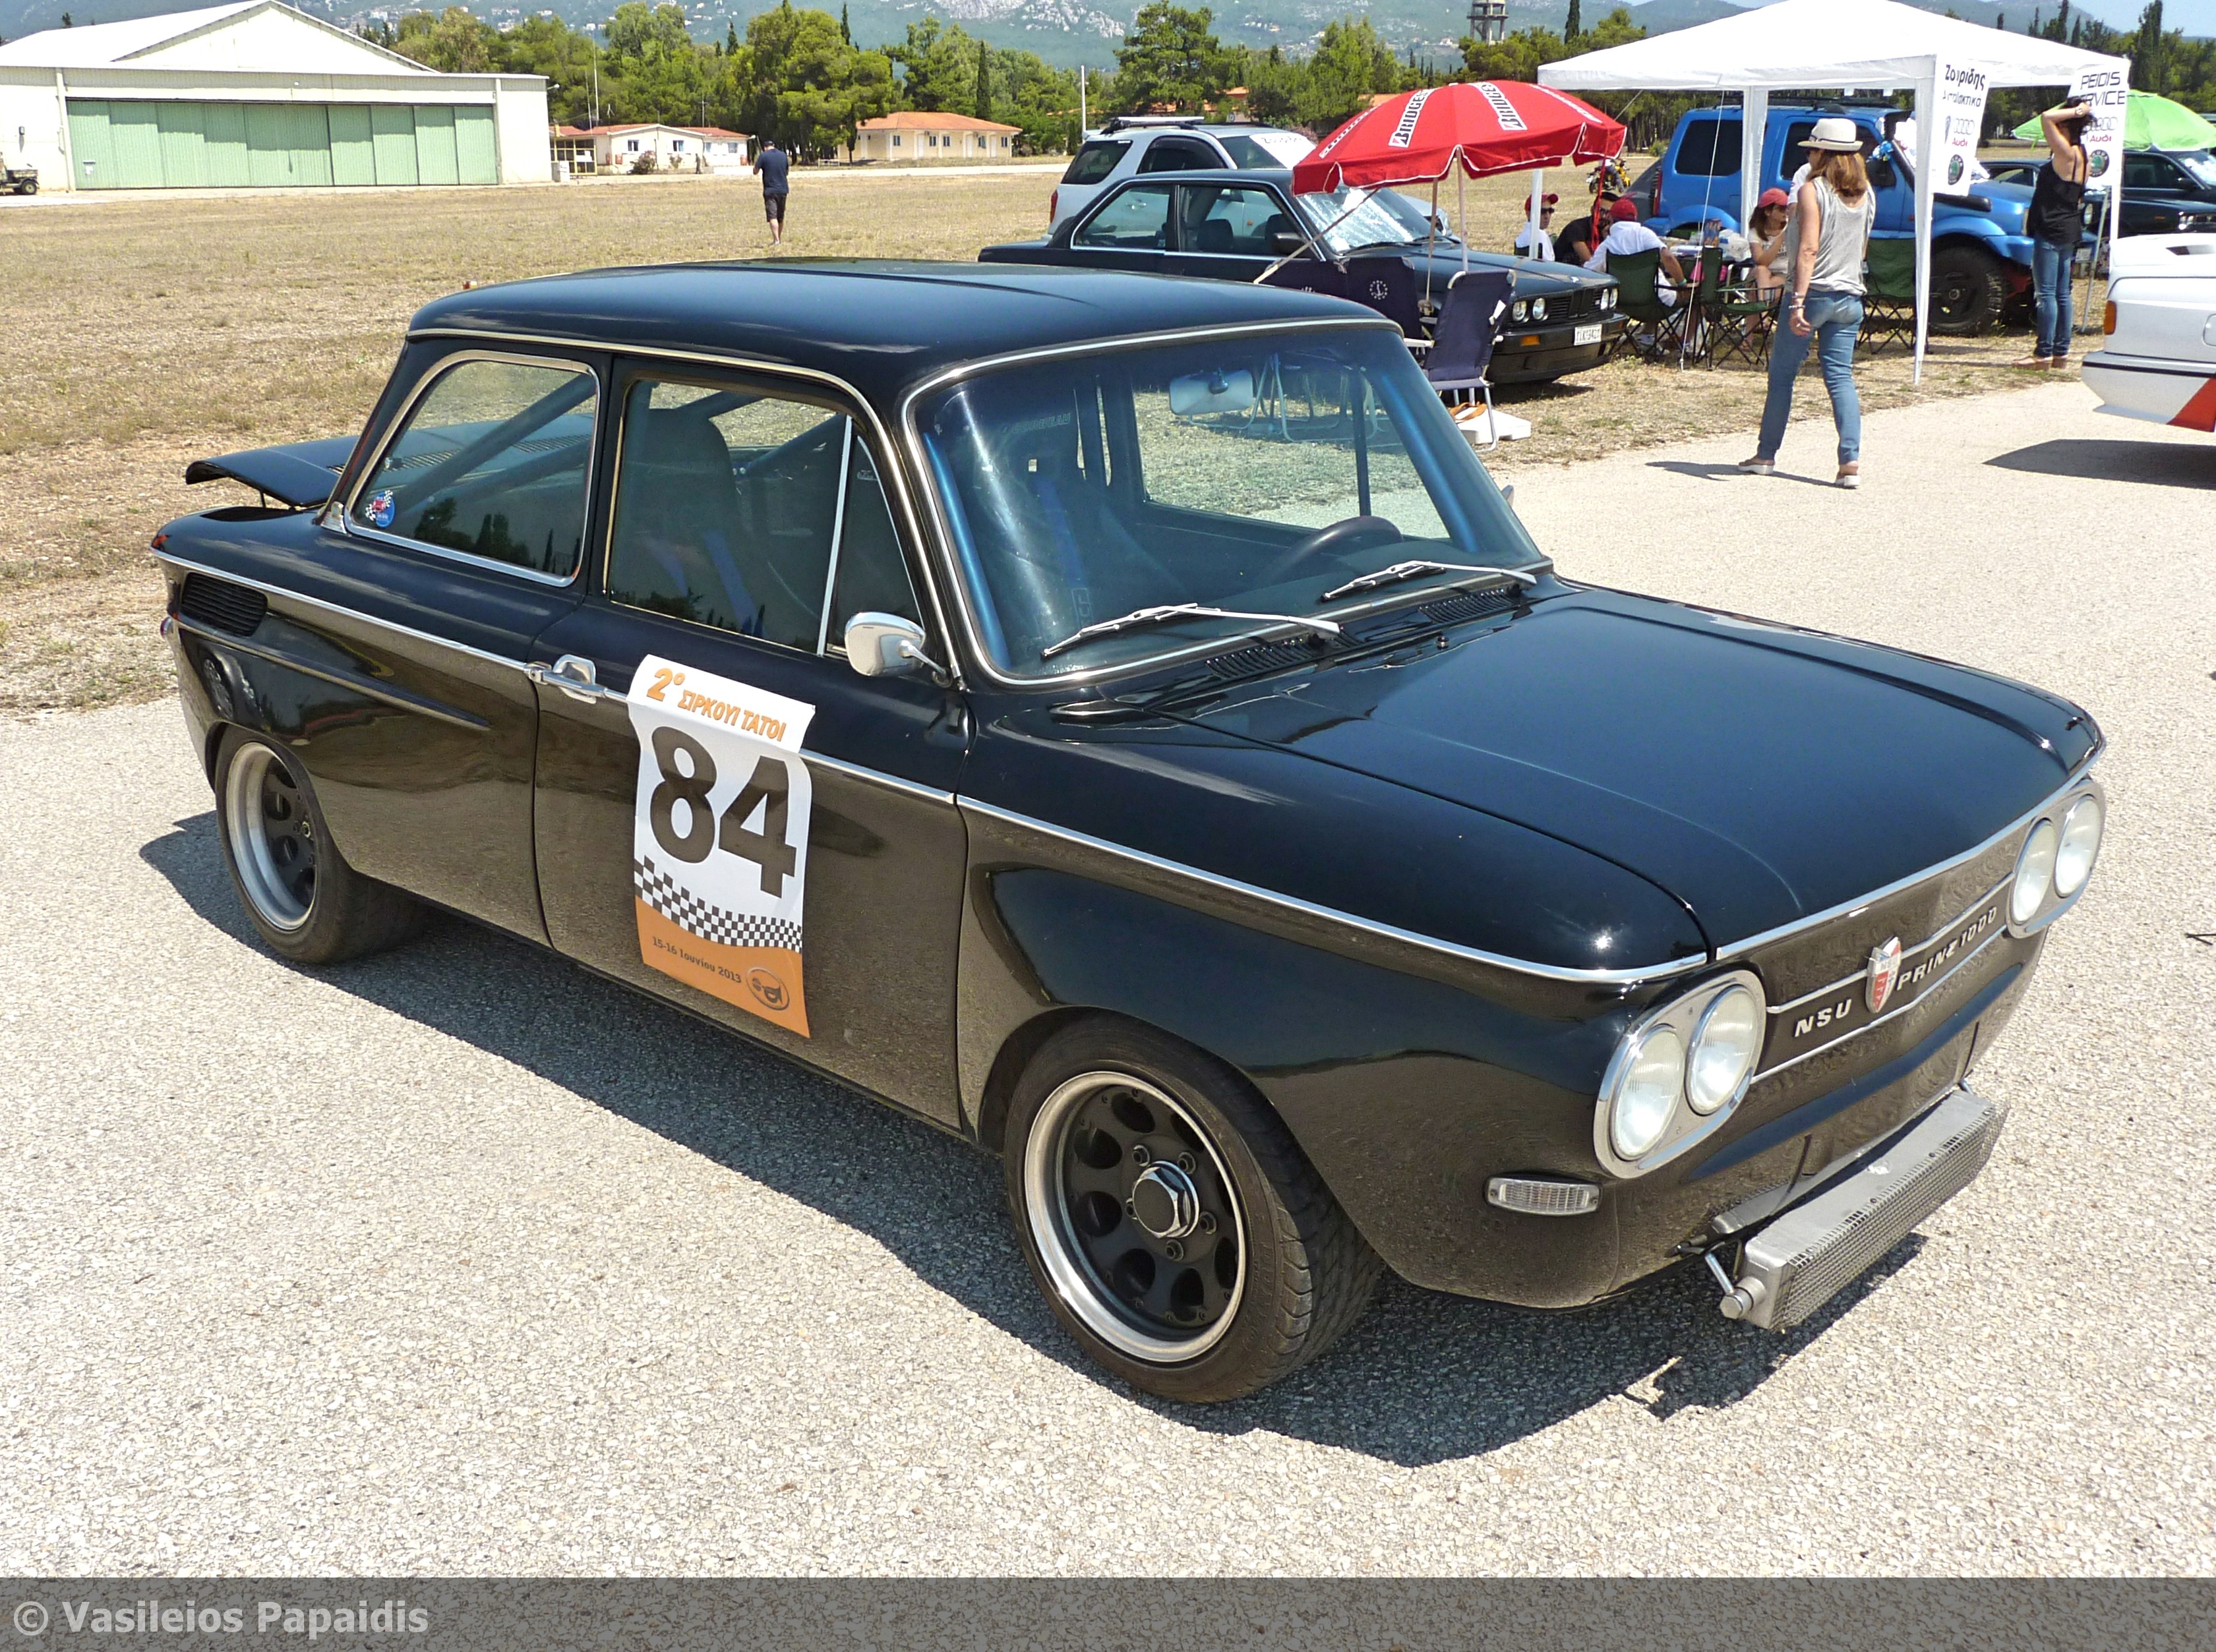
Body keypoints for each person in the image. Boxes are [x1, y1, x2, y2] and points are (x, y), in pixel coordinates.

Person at [1739, 117, 1878, 488]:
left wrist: (1798, 300)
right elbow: (1861, 249)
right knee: (1840, 377)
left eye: (1813, 149)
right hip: (1850, 294)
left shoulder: (1812, 190)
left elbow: (1808, 248)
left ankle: (1766, 454)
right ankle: (1850, 460)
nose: (1811, 155)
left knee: (1782, 375)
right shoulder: (1867, 194)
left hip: (1814, 291)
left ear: (1823, 154)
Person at [2021, 100, 2091, 369]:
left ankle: (2043, 352)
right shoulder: (2082, 154)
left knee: (2046, 294)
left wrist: (2078, 111)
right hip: (2070, 228)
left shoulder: (2066, 153)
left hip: (2051, 228)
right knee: (2063, 293)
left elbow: (2046, 117)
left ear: (2065, 126)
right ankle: (2062, 352)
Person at [1584, 195, 1685, 305]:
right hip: (1657, 301)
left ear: (1611, 219)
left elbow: (1589, 271)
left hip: (1623, 302)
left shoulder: (1608, 245)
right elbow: (1668, 257)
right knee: (1695, 298)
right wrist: (1682, 283)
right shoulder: (1644, 234)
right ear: (1635, 217)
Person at [1747, 187, 1792, 293]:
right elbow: (1762, 262)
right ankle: (1763, 306)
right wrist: (1781, 238)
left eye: (1787, 208)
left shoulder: (1791, 228)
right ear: (1768, 212)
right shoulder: (1755, 233)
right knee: (1761, 270)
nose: (1785, 212)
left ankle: (1762, 307)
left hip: (1783, 274)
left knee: (1763, 290)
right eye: (1781, 209)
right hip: (1760, 274)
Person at [756, 138, 790, 247]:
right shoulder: (783, 155)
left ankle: (776, 241)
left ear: (765, 147)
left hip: (770, 190)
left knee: (772, 216)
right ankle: (778, 238)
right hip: (783, 190)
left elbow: (755, 171)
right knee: (780, 217)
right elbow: (787, 172)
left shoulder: (764, 156)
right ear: (774, 145)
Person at [1513, 193, 1559, 261]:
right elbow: (1550, 266)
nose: (1547, 216)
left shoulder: (1520, 238)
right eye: (1542, 211)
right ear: (1529, 214)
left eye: (1550, 211)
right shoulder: (1540, 235)